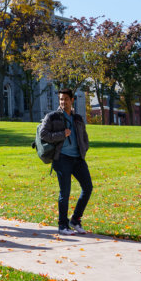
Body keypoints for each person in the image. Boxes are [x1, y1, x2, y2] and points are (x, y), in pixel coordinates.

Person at [38, 88, 92, 235]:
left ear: (72, 100)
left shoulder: (78, 118)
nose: (63, 102)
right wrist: (61, 134)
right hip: (62, 159)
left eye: (66, 99)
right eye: (61, 99)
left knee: (88, 188)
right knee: (65, 192)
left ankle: (75, 220)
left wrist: (84, 149)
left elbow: (85, 138)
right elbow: (43, 134)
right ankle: (62, 225)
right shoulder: (52, 116)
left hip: (78, 158)